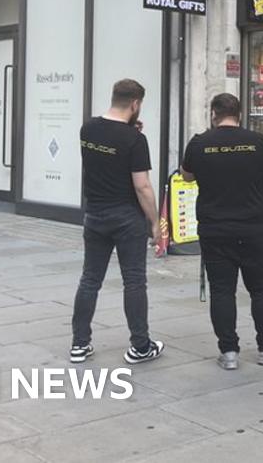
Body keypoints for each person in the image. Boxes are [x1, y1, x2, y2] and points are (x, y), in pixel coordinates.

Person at [181, 93, 263, 370]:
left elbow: (187, 176)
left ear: (213, 114)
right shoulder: (259, 142)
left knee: (222, 290)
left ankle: (229, 352)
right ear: (239, 114)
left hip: (215, 230)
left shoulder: (199, 143)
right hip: (254, 228)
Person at [71, 79, 166, 365]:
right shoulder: (135, 140)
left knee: (90, 280)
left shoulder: (87, 128)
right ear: (135, 104)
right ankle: (140, 346)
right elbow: (143, 187)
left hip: (95, 214)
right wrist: (155, 223)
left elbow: (105, 153)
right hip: (126, 218)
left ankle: (79, 343)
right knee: (134, 281)